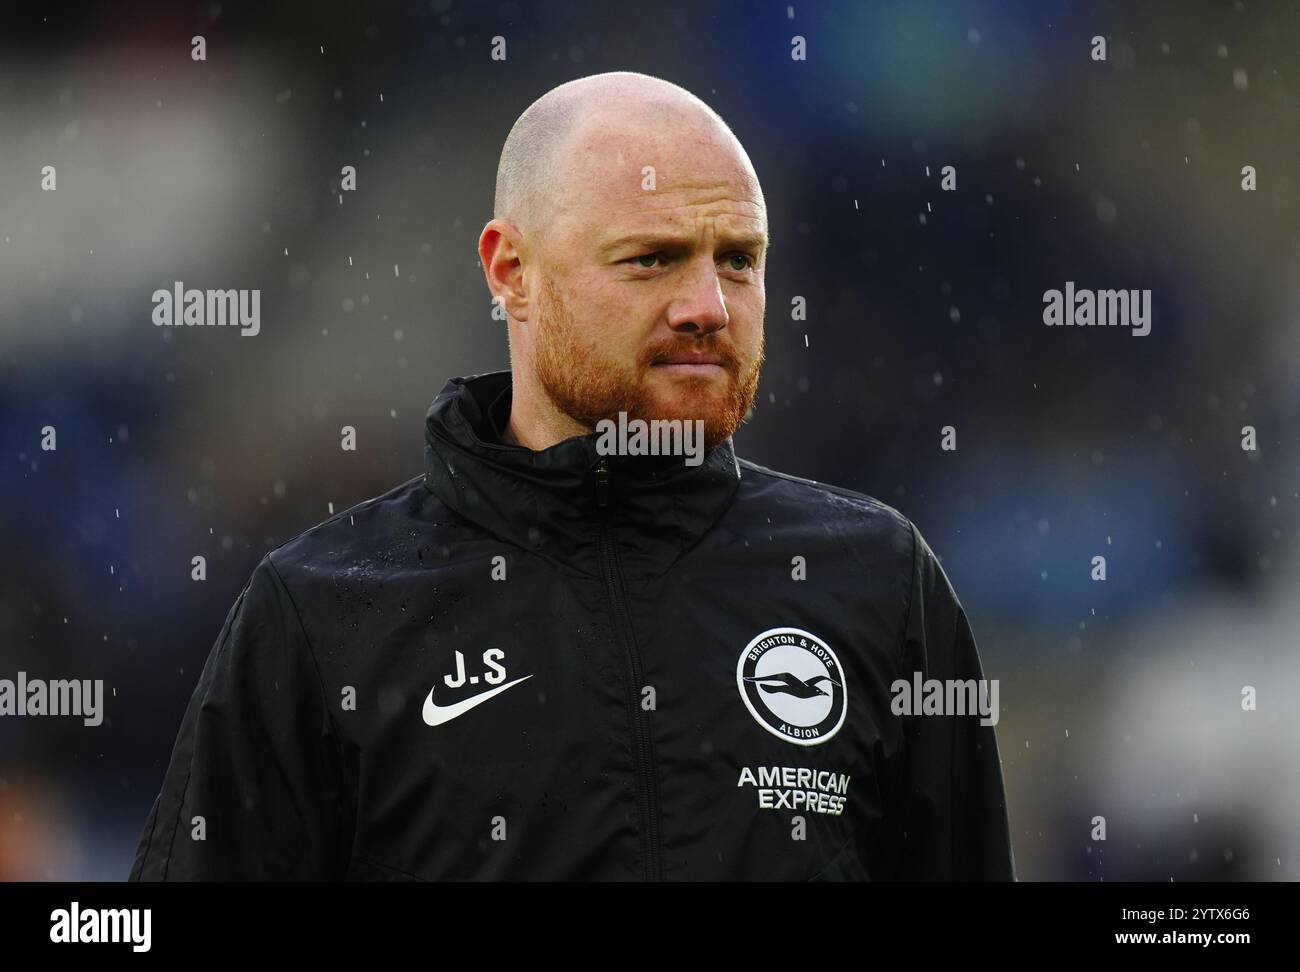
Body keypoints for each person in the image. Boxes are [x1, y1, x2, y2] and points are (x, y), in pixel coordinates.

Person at [130, 71, 1014, 881]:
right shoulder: (324, 613)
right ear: (511, 272)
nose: (709, 307)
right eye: (653, 259)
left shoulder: (877, 581)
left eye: (738, 259)